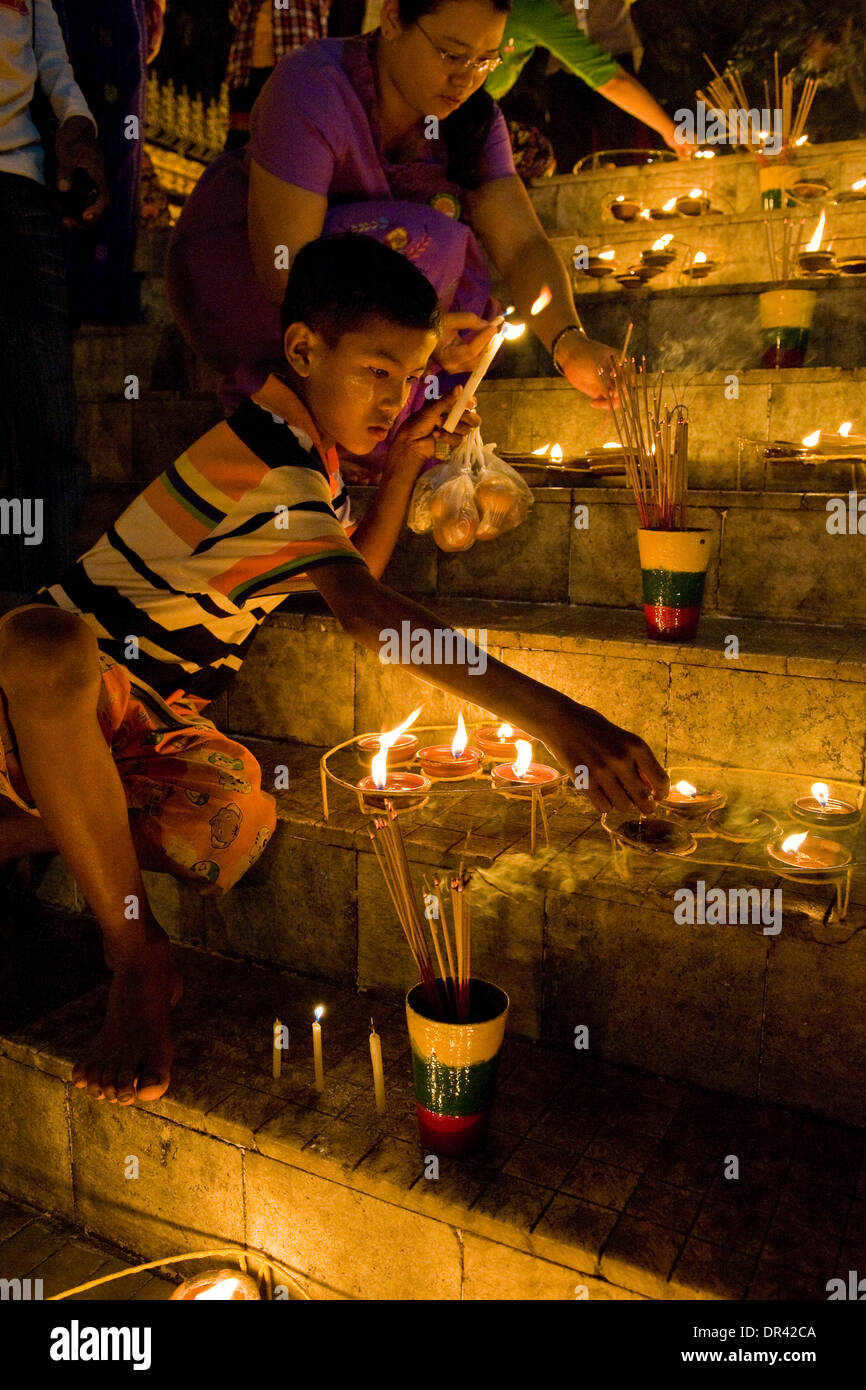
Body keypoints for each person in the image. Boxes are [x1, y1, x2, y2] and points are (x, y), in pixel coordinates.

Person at [0, 234, 668, 1106]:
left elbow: (344, 581)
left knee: (233, 812)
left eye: (411, 378)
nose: (396, 398)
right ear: (305, 350)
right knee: (45, 642)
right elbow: (363, 612)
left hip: (135, 728)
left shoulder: (306, 462)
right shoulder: (269, 458)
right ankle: (135, 956)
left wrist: (397, 476)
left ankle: (36, 826)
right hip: (35, 700)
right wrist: (566, 724)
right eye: (377, 372)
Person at [166, 0, 619, 451]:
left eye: (486, 60)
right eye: (451, 54)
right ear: (392, 18)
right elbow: (283, 271)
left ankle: (385, 444)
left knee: (461, 288)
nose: (466, 79)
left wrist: (569, 344)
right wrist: (413, 334)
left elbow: (520, 245)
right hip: (249, 290)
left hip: (369, 311)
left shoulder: (473, 120)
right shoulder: (312, 87)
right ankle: (303, 426)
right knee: (430, 241)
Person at [0, 0, 108, 599]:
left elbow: (54, 65)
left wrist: (79, 129)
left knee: (43, 404)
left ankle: (36, 600)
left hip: (19, 185)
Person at [487, 0, 691, 167]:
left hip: (612, 47)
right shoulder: (529, 9)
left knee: (616, 140)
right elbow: (613, 82)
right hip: (472, 111)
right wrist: (670, 131)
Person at [223, 0, 331, 151]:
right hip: (248, 70)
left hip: (293, 69)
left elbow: (318, 6)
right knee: (239, 146)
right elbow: (236, 13)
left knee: (284, 143)